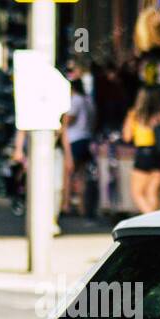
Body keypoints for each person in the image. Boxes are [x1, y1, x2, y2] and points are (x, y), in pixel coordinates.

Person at [122, 88, 160, 214]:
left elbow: (127, 136)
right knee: (152, 192)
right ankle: (153, 218)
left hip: (144, 153)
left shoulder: (134, 114)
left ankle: (151, 218)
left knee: (137, 193)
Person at [62, 78, 94, 216]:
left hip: (74, 140)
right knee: (82, 176)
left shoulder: (75, 101)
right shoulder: (88, 101)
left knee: (68, 175)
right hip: (86, 138)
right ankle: (82, 207)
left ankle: (66, 205)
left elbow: (68, 122)